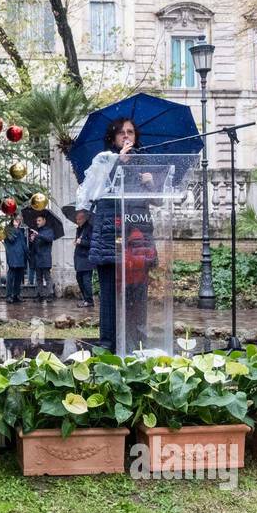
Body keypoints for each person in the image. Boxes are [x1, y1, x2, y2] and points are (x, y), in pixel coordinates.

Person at [76, 117, 154, 351]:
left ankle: (136, 345)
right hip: (111, 235)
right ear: (113, 137)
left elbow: (159, 200)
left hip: (138, 236)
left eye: (130, 131)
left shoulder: (144, 162)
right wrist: (119, 163)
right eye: (121, 133)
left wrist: (150, 183)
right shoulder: (103, 159)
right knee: (110, 294)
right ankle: (108, 345)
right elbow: (93, 192)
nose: (126, 136)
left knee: (137, 296)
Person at [29, 214, 55, 301]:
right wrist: (32, 240)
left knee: (47, 277)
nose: (37, 222)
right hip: (37, 258)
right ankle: (40, 295)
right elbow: (34, 246)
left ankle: (50, 294)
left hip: (45, 258)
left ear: (44, 220)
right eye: (37, 221)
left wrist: (38, 235)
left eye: (39, 220)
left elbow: (49, 239)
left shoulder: (49, 230)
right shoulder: (37, 231)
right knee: (38, 278)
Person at [73, 209, 95, 308]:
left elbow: (92, 243)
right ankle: (85, 298)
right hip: (79, 258)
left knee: (86, 280)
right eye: (77, 219)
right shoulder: (79, 229)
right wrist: (76, 242)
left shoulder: (89, 228)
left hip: (86, 259)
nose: (77, 221)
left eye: (79, 219)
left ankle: (89, 300)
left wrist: (81, 242)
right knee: (79, 278)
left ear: (84, 218)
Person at [3, 220, 28, 304]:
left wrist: (27, 253)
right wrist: (16, 229)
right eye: (16, 220)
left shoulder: (20, 230)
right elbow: (11, 239)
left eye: (19, 220)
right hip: (13, 256)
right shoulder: (8, 229)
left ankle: (16, 295)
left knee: (19, 276)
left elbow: (23, 243)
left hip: (21, 256)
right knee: (11, 277)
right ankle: (9, 296)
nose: (18, 221)